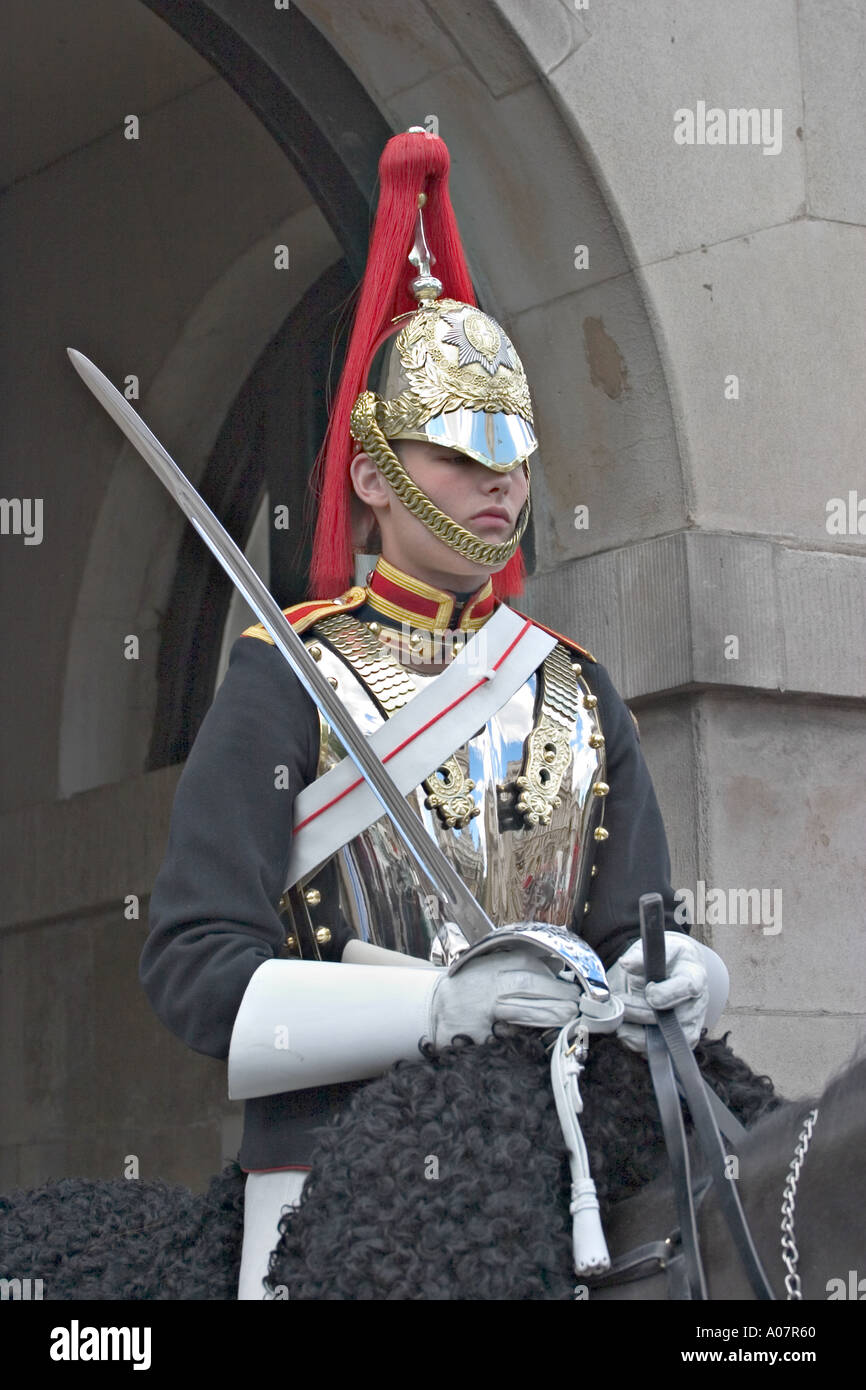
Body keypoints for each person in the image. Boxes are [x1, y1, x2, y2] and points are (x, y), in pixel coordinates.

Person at [140, 129, 727, 1300]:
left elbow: (624, 932)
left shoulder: (574, 684)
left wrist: (682, 978)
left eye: (514, 451)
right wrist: (434, 1005)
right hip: (334, 1180)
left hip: (563, 1176)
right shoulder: (285, 673)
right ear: (374, 474)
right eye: (464, 451)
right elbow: (198, 971)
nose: (501, 481)